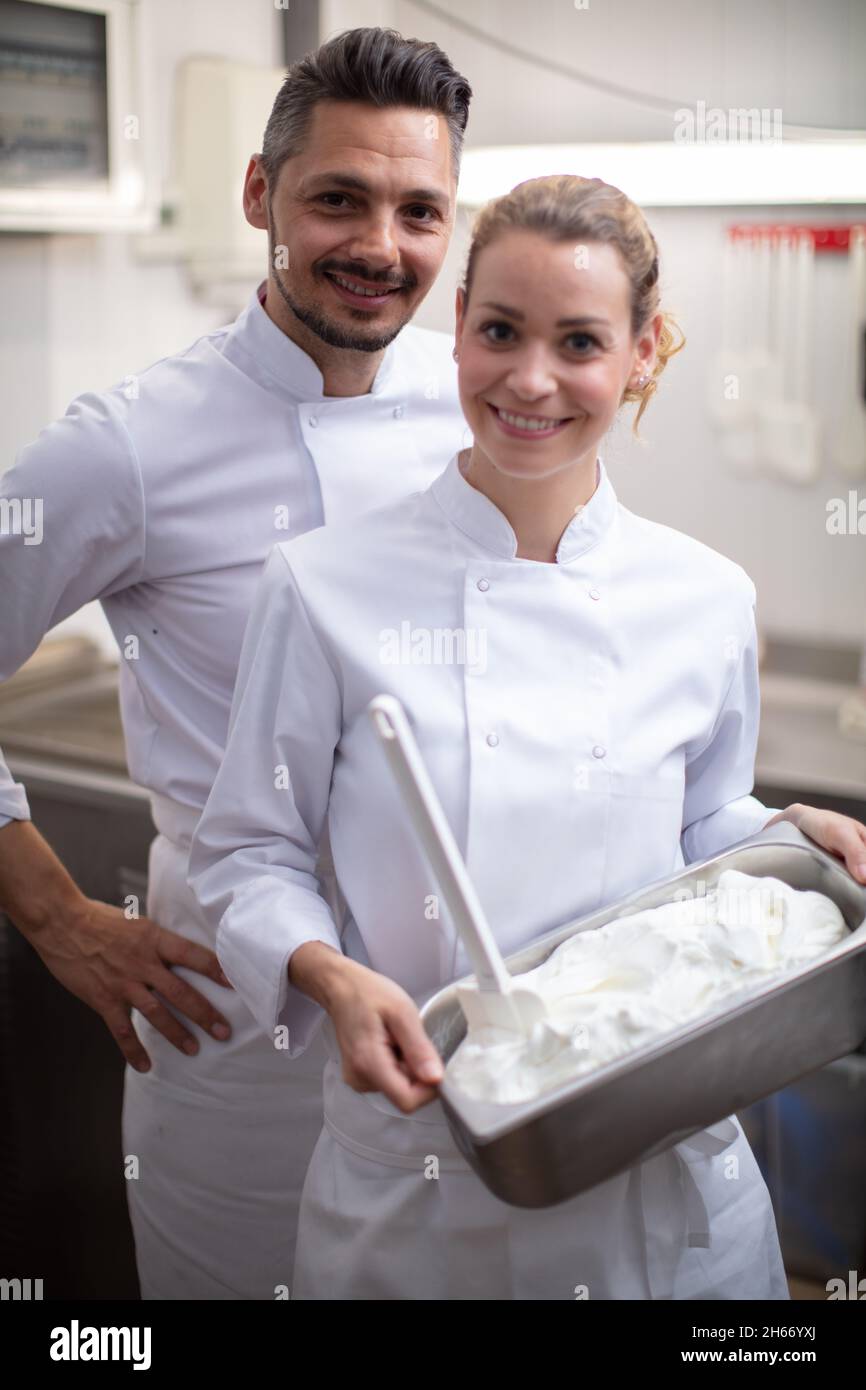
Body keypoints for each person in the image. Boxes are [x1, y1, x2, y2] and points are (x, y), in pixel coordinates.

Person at [189, 172, 866, 1300]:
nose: (531, 379)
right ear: (455, 328)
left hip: (662, 1202)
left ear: (642, 353)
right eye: (498, 330)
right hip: (415, 1187)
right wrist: (330, 977)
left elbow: (700, 824)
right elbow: (246, 850)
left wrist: (781, 835)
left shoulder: (702, 596)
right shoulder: (321, 587)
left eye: (580, 341)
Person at [0, 28, 472, 1298]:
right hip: (239, 1040)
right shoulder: (131, 445)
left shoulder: (473, 402)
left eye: (418, 209)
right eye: (337, 198)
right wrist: (54, 916)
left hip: (460, 1023)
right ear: (260, 197)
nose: (380, 245)